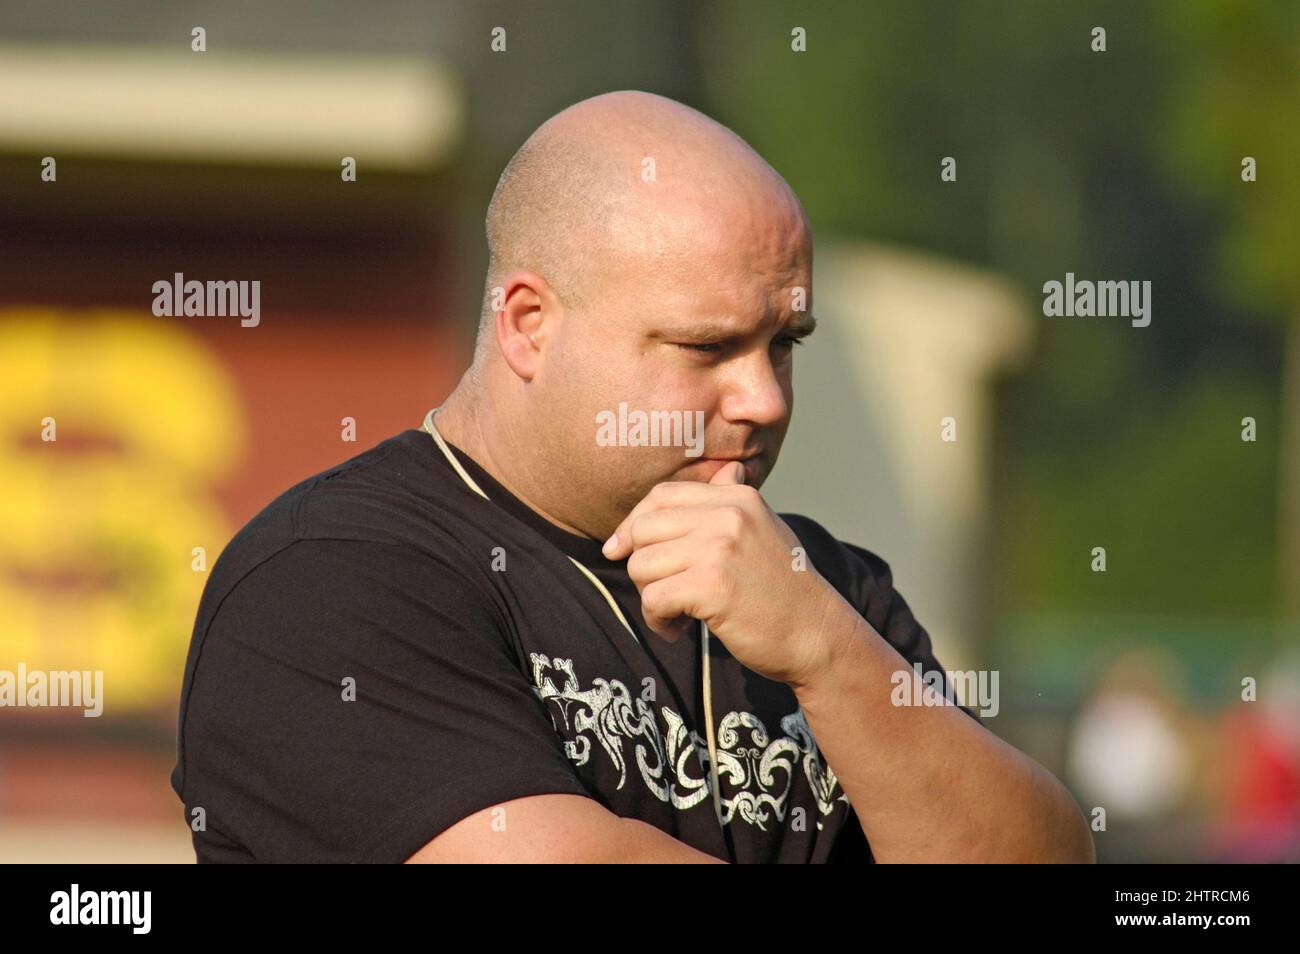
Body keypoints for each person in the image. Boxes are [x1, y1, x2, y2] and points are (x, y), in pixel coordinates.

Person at [169, 90, 1094, 863]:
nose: (764, 397)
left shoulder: (823, 591)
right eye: (708, 345)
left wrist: (821, 645)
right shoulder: (333, 577)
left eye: (786, 344)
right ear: (529, 324)